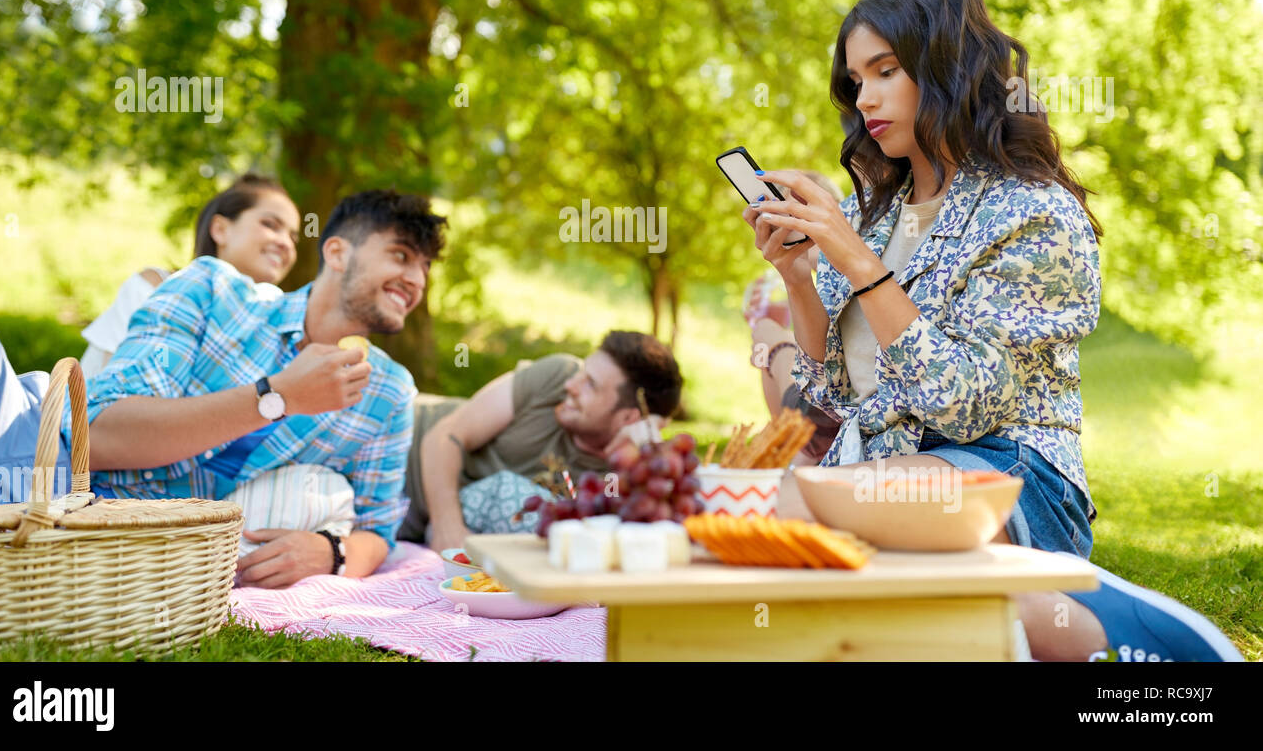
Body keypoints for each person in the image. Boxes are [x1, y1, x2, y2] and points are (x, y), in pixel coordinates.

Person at [747, 0, 1241, 661]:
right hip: (884, 479)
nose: (866, 99)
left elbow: (965, 405)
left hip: (1006, 474)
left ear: (944, 67)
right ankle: (1075, 628)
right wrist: (798, 277)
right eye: (855, 82)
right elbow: (831, 396)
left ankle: (1131, 645)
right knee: (777, 532)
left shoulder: (1033, 213)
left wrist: (857, 261)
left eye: (886, 71)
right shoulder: (879, 217)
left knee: (799, 512)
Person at [71, 188, 447, 587]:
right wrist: (277, 396)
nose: (416, 280)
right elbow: (94, 438)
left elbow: (377, 529)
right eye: (402, 255)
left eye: (425, 267)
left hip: (222, 563)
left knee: (327, 490)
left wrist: (332, 553)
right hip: (102, 534)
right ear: (337, 253)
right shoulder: (211, 291)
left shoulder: (389, 391)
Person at [402, 331, 684, 551]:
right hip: (395, 438)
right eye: (582, 372)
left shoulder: (614, 482)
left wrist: (637, 455)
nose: (571, 386)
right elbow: (445, 435)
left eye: (591, 384)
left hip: (402, 517)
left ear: (628, 418)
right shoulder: (556, 375)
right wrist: (446, 526)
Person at [80, 174, 299, 378]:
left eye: (294, 238)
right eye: (270, 225)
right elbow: (109, 394)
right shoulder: (152, 290)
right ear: (220, 230)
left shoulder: (276, 333)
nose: (286, 244)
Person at [742, 170, 844, 465]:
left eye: (792, 212)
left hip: (824, 414)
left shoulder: (835, 261)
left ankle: (786, 449)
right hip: (820, 410)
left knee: (767, 333)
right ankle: (787, 452)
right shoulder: (805, 273)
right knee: (770, 338)